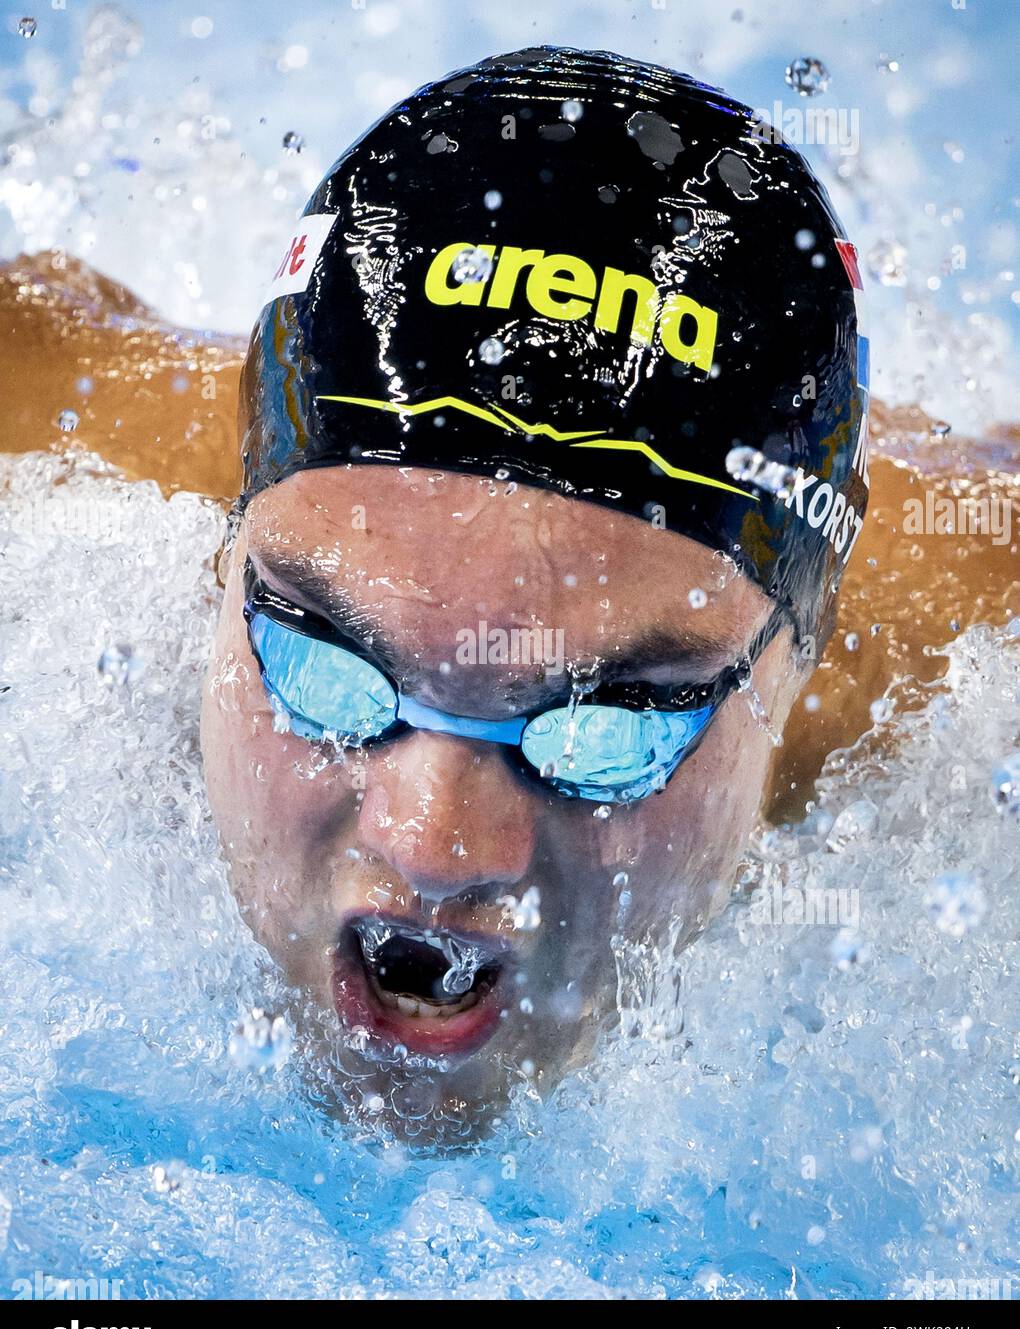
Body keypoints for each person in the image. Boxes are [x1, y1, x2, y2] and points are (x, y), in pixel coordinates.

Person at [196, 46, 872, 1140]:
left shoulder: (965, 719)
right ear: (224, 559)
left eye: (605, 730)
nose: (434, 849)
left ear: (806, 656)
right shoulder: (44, 487)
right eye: (328, 670)